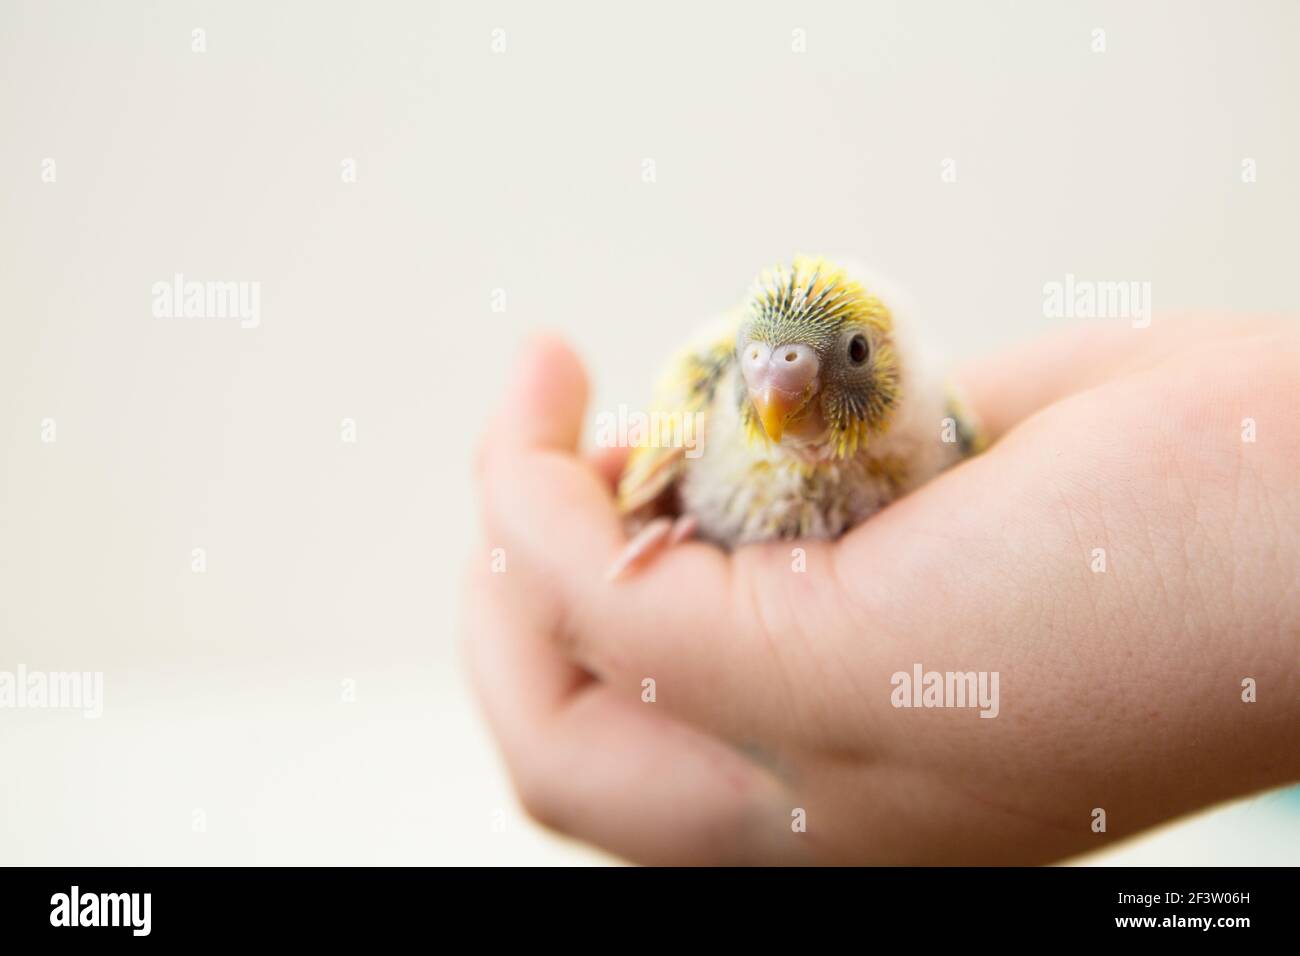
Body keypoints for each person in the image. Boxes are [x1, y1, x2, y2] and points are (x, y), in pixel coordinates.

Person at [465, 317, 1299, 865]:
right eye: (765, 374)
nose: (791, 394)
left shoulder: (939, 424)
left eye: (850, 358)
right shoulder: (700, 400)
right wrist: (652, 512)